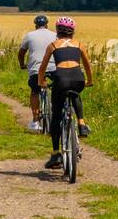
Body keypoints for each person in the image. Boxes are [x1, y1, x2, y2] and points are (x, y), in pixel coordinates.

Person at [37, 16, 92, 169]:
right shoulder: (79, 44)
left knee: (56, 116)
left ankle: (56, 154)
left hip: (60, 79)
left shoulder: (53, 45)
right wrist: (89, 81)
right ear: (72, 31)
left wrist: (41, 82)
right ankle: (81, 124)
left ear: (57, 31)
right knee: (75, 94)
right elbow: (87, 66)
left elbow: (42, 68)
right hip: (77, 78)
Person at [17, 15, 57, 132]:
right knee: (57, 89)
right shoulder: (55, 35)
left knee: (35, 92)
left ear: (35, 25)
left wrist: (22, 65)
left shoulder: (29, 35)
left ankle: (35, 121)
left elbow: (21, 53)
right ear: (47, 25)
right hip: (53, 68)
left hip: (36, 69)